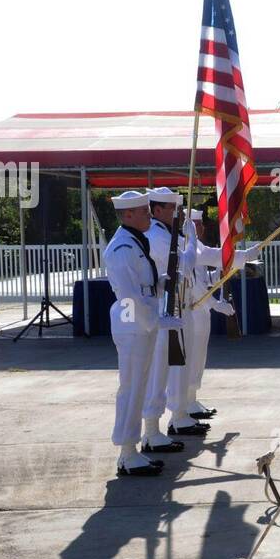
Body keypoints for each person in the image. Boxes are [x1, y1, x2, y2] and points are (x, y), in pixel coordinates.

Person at [141, 187, 256, 453]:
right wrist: (190, 241)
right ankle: (152, 430)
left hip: (179, 311)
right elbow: (187, 261)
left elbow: (209, 255)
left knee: (181, 369)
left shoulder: (173, 235)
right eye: (172, 209)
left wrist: (243, 257)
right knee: (161, 373)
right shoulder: (157, 237)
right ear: (158, 210)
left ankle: (179, 416)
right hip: (165, 311)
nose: (177, 214)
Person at [103, 191, 180, 477]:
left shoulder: (135, 242)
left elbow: (142, 286)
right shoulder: (122, 248)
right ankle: (126, 452)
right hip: (132, 324)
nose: (149, 215)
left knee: (139, 386)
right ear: (128, 215)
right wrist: (157, 321)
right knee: (132, 388)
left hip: (140, 323)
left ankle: (132, 449)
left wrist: (161, 282)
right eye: (144, 212)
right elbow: (128, 296)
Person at [166, 208, 234, 424]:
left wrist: (221, 274)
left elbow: (203, 279)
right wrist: (216, 304)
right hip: (193, 311)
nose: (202, 227)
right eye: (198, 224)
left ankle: (191, 400)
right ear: (189, 226)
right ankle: (183, 405)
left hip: (201, 313)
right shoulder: (185, 248)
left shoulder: (198, 247)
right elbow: (193, 288)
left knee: (199, 359)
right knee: (191, 359)